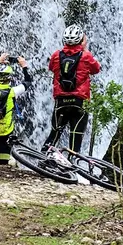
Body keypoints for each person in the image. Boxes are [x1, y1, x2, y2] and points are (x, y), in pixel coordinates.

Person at [45, 25, 100, 153]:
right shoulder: (86, 56)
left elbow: (51, 68)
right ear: (81, 40)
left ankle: (42, 158)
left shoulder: (56, 55)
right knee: (76, 135)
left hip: (61, 101)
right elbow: (96, 69)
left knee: (54, 133)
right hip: (79, 101)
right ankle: (72, 164)